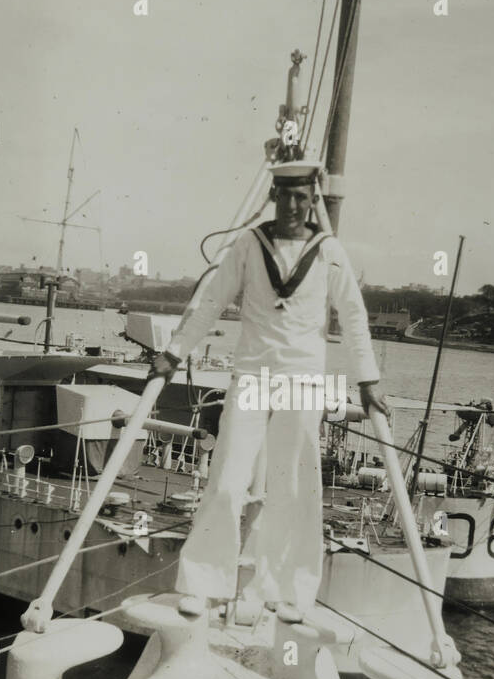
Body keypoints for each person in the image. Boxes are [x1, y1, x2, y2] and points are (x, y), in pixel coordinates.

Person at [151, 160, 389, 623]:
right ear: (274, 196)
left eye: (302, 197)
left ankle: (284, 590)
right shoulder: (248, 244)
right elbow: (211, 302)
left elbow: (354, 316)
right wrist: (175, 353)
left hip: (302, 381)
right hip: (253, 378)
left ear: (312, 199)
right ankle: (203, 585)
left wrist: (368, 379)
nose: (293, 206)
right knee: (225, 481)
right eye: (286, 196)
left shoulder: (329, 250)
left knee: (293, 486)